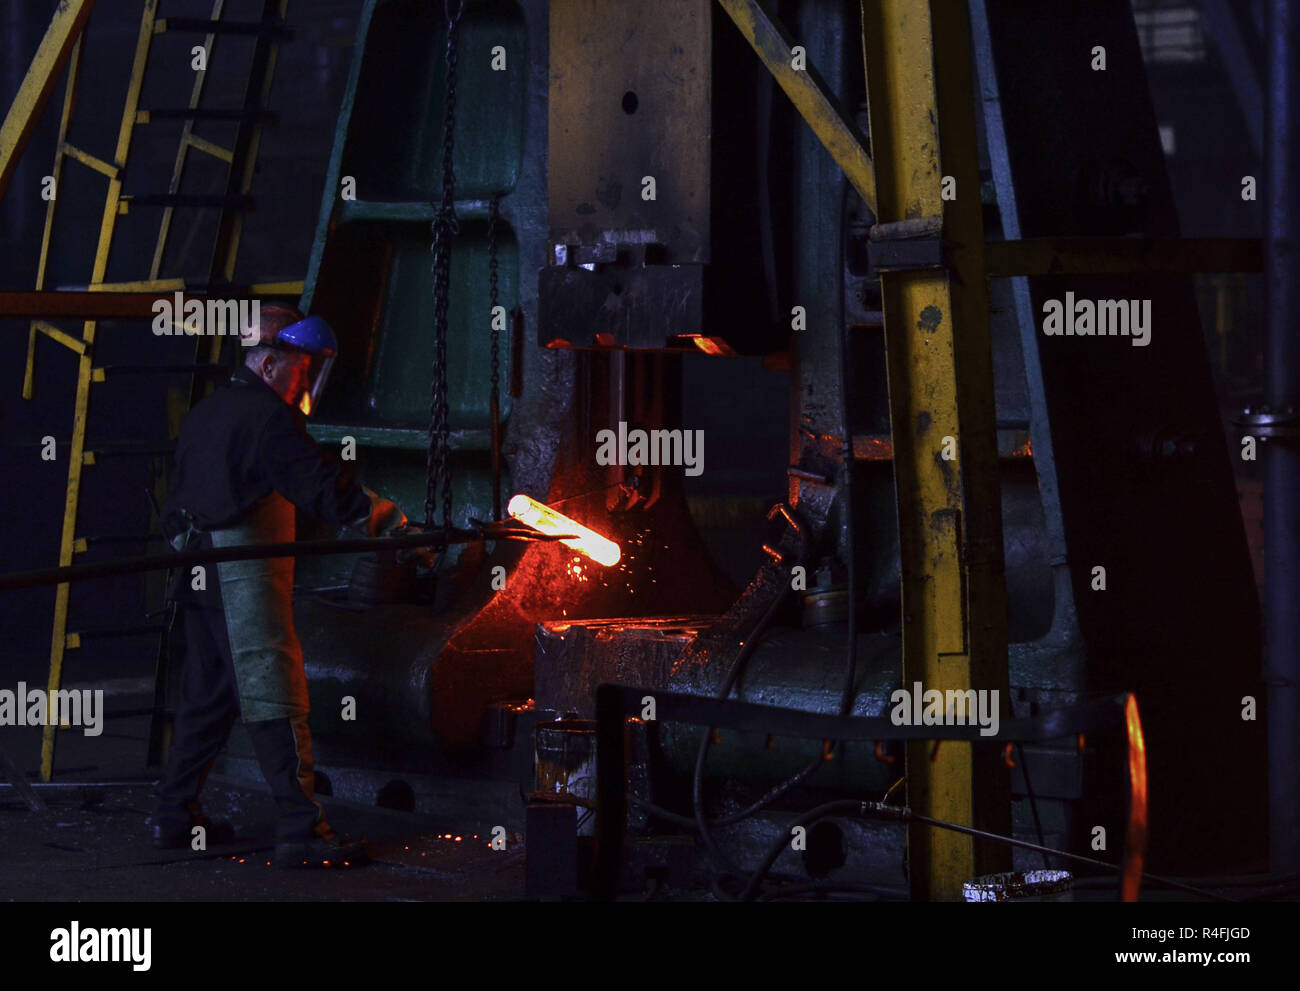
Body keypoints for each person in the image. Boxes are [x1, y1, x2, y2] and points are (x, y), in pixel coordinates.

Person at [152, 304, 413, 867]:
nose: (306, 380)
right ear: (270, 363)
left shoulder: (208, 411)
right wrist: (400, 529)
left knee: (208, 693)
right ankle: (302, 832)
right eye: (301, 368)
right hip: (240, 571)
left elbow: (178, 503)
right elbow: (326, 490)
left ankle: (172, 817)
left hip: (193, 573)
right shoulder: (269, 419)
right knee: (275, 691)